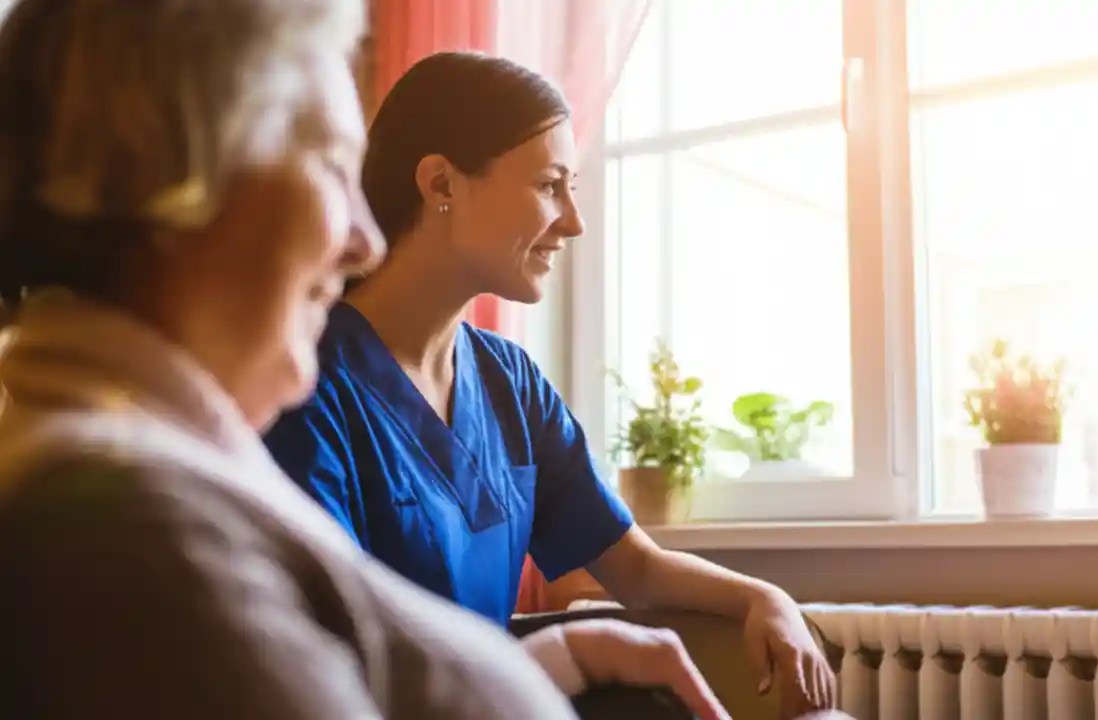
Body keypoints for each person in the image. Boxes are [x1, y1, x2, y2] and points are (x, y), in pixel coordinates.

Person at [0, 2, 731, 718]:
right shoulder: (132, 532)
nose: (364, 239)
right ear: (179, 172)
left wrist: (569, 657)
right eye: (328, 162)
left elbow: (359, 675)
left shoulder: (158, 476)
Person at [264, 51, 838, 718]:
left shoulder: (511, 383)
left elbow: (636, 570)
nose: (573, 221)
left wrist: (764, 599)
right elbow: (326, 653)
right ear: (442, 182)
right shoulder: (305, 383)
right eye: (549, 185)